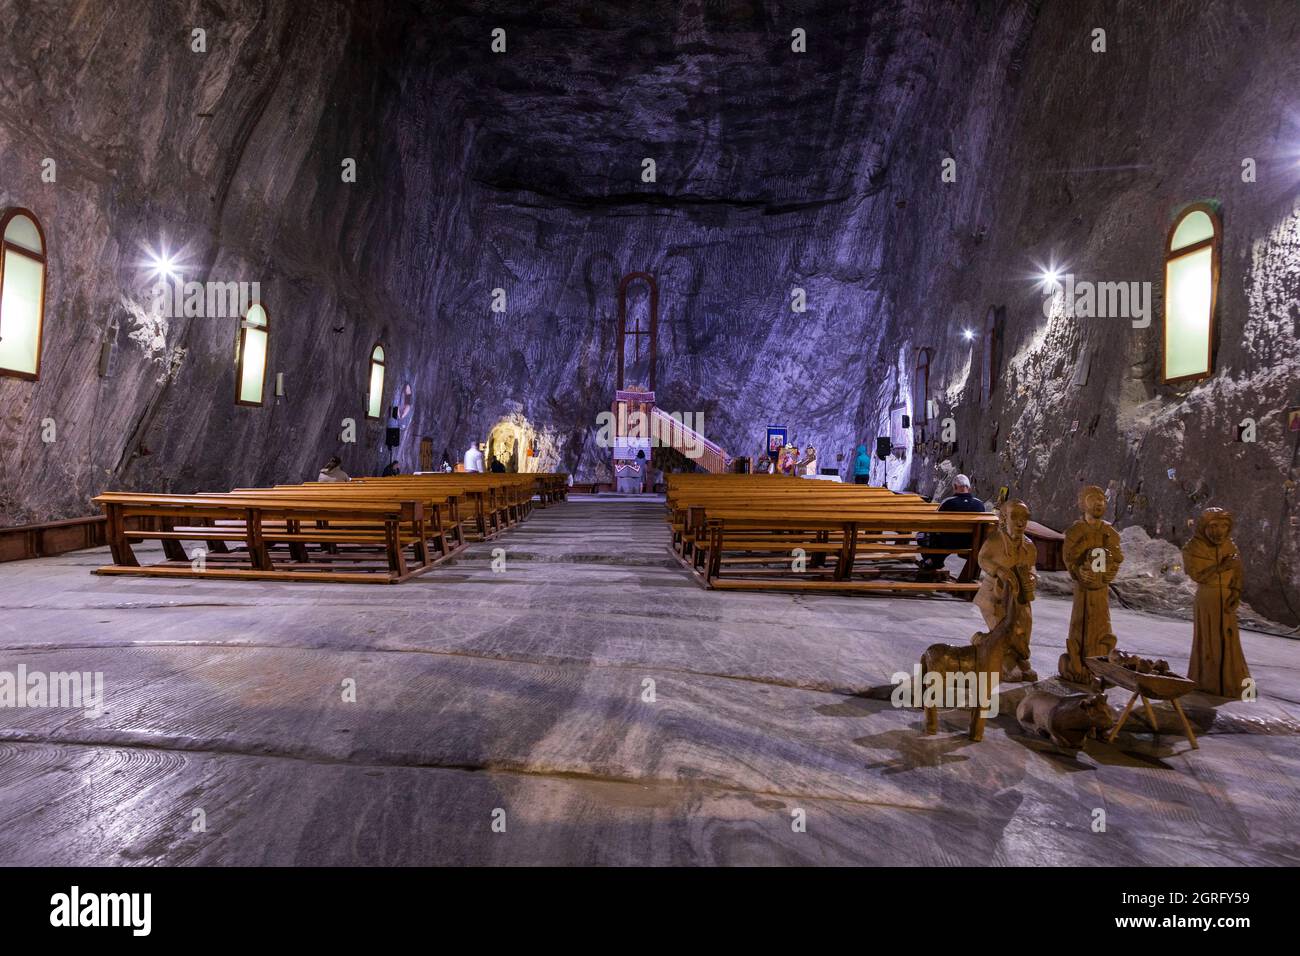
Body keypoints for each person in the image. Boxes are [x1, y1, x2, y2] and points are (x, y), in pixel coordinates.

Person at [1182, 507, 1250, 698]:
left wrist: (1235, 592)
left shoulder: (1231, 546)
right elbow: (1197, 575)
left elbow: (1237, 572)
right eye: (1213, 526)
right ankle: (1207, 681)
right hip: (1207, 599)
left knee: (1229, 641)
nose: (1218, 531)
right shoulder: (1193, 548)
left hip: (1226, 598)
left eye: (1223, 526)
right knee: (1209, 641)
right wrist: (1221, 567)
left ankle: (1237, 686)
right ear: (1204, 526)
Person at [918, 475, 985, 573]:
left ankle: (931, 561)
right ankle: (934, 561)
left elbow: (934, 522)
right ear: (969, 488)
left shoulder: (948, 502)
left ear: (954, 487)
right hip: (971, 542)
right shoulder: (979, 504)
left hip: (948, 542)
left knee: (922, 535)